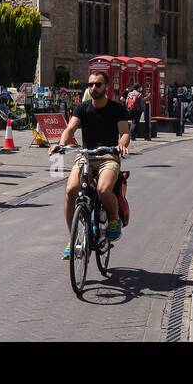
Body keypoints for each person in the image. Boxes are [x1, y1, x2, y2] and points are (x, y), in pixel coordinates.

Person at [54, 70, 131, 258]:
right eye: (90, 85)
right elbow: (70, 129)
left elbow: (124, 132)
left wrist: (121, 144)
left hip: (108, 156)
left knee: (103, 190)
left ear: (106, 87)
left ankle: (113, 219)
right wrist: (61, 143)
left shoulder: (117, 108)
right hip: (86, 155)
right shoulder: (82, 108)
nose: (93, 88)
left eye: (98, 84)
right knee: (71, 190)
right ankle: (73, 239)